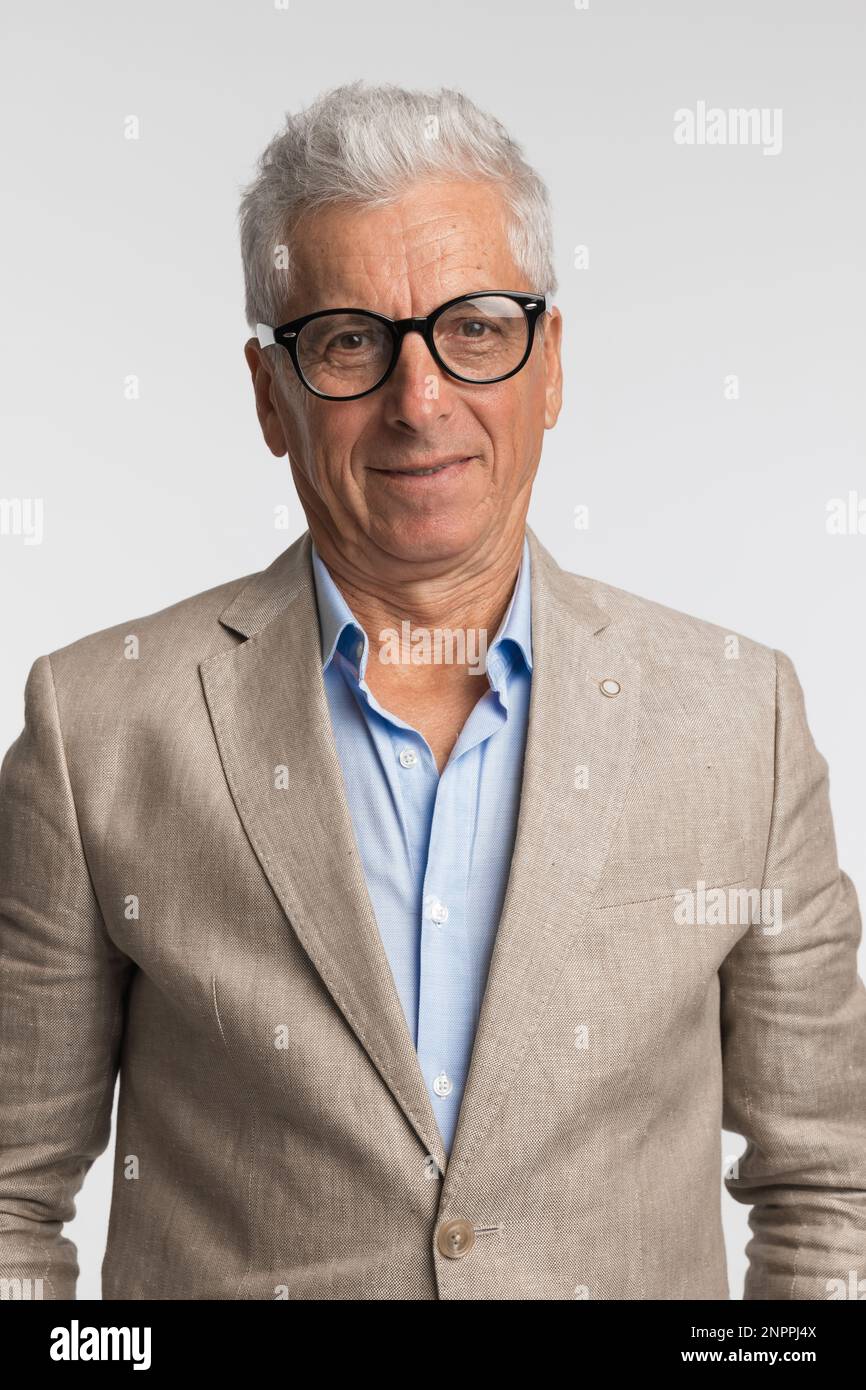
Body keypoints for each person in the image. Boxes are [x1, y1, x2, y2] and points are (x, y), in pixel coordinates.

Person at [1, 80, 864, 1301]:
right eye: (350, 339)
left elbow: (831, 1183)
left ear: (546, 364)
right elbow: (9, 1195)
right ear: (268, 395)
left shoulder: (738, 718)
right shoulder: (98, 728)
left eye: (473, 326)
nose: (419, 401)